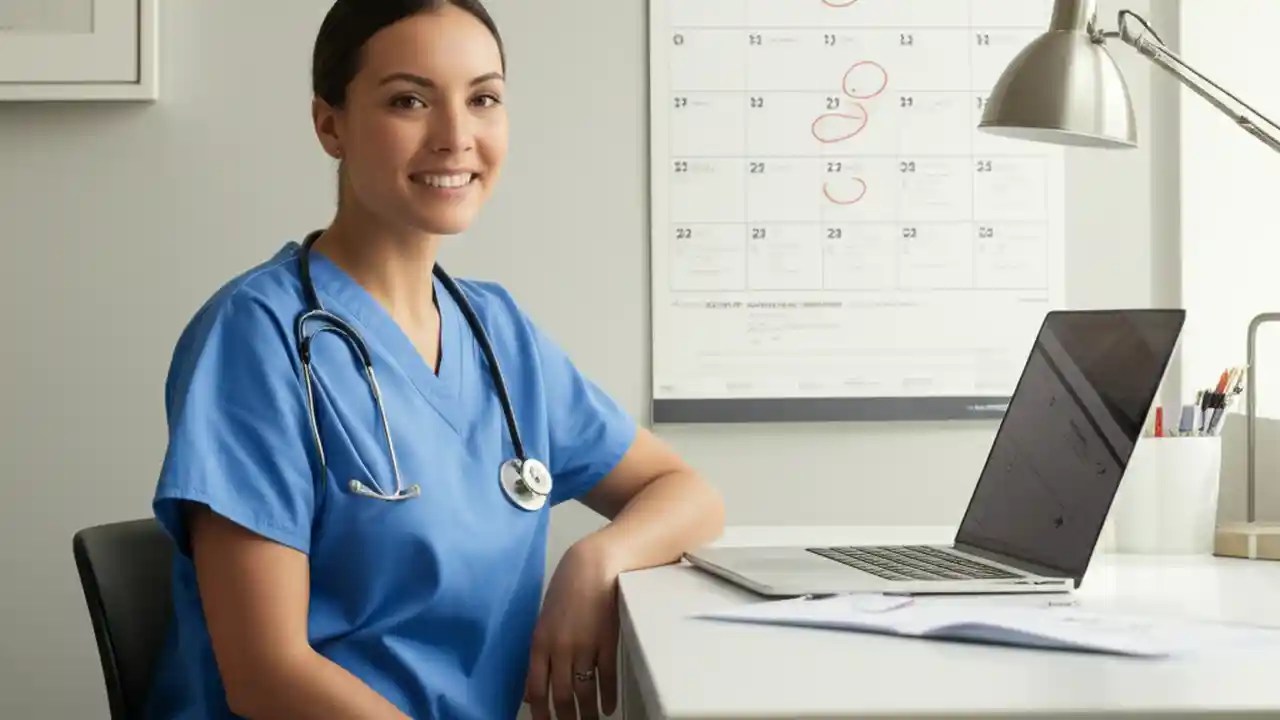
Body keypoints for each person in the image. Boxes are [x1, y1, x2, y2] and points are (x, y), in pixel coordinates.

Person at [144, 1, 725, 718]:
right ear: (331, 124)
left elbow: (686, 493)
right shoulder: (256, 337)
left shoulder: (497, 331)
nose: (456, 137)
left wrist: (595, 561)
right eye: (409, 100)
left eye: (483, 98)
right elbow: (267, 675)